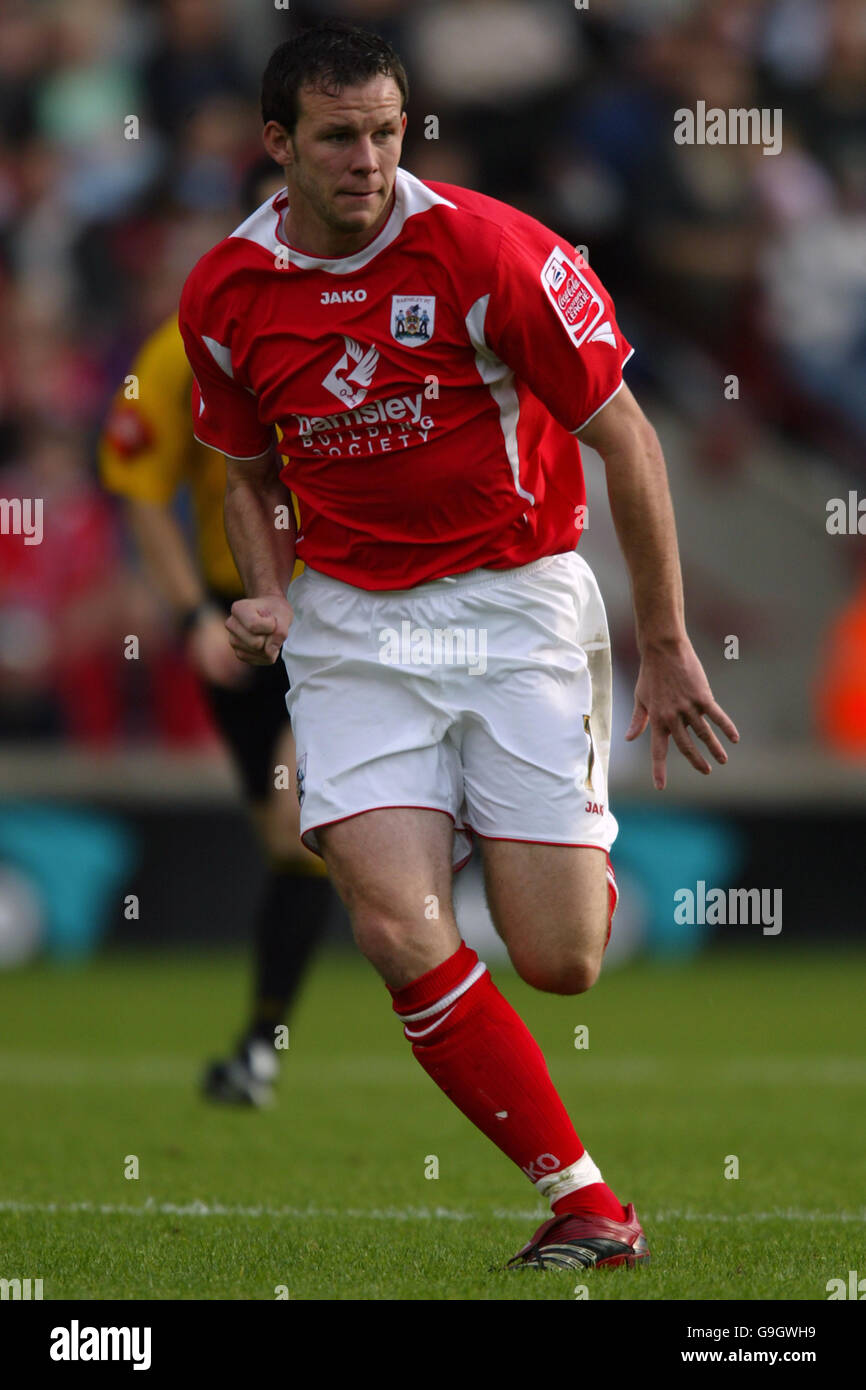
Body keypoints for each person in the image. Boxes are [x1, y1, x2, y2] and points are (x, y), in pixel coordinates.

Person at [178, 23, 739, 1270]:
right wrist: (267, 588)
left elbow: (630, 440)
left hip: (511, 607)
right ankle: (584, 1200)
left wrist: (664, 642)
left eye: (386, 131)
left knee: (560, 961)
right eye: (338, 136)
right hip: (351, 633)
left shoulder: (491, 251)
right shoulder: (223, 290)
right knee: (392, 925)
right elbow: (241, 475)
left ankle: (547, 828)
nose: (369, 158)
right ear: (279, 144)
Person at [100, 157, 333, 1108]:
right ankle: (263, 1041)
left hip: (336, 611)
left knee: (296, 822)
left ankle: (265, 1045)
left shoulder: (328, 329)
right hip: (239, 623)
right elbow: (142, 493)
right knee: (289, 844)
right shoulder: (169, 355)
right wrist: (192, 613)